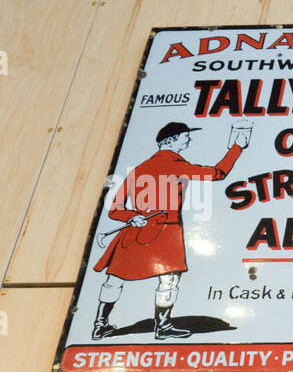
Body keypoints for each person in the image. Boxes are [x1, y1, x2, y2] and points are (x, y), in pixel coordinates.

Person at [91, 121, 245, 339]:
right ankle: (162, 326)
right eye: (185, 136)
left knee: (114, 279)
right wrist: (237, 148)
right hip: (166, 230)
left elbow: (114, 209)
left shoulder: (139, 168)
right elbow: (217, 173)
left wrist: (131, 216)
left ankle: (100, 325)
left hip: (135, 231)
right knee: (169, 280)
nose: (188, 139)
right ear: (171, 140)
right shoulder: (175, 164)